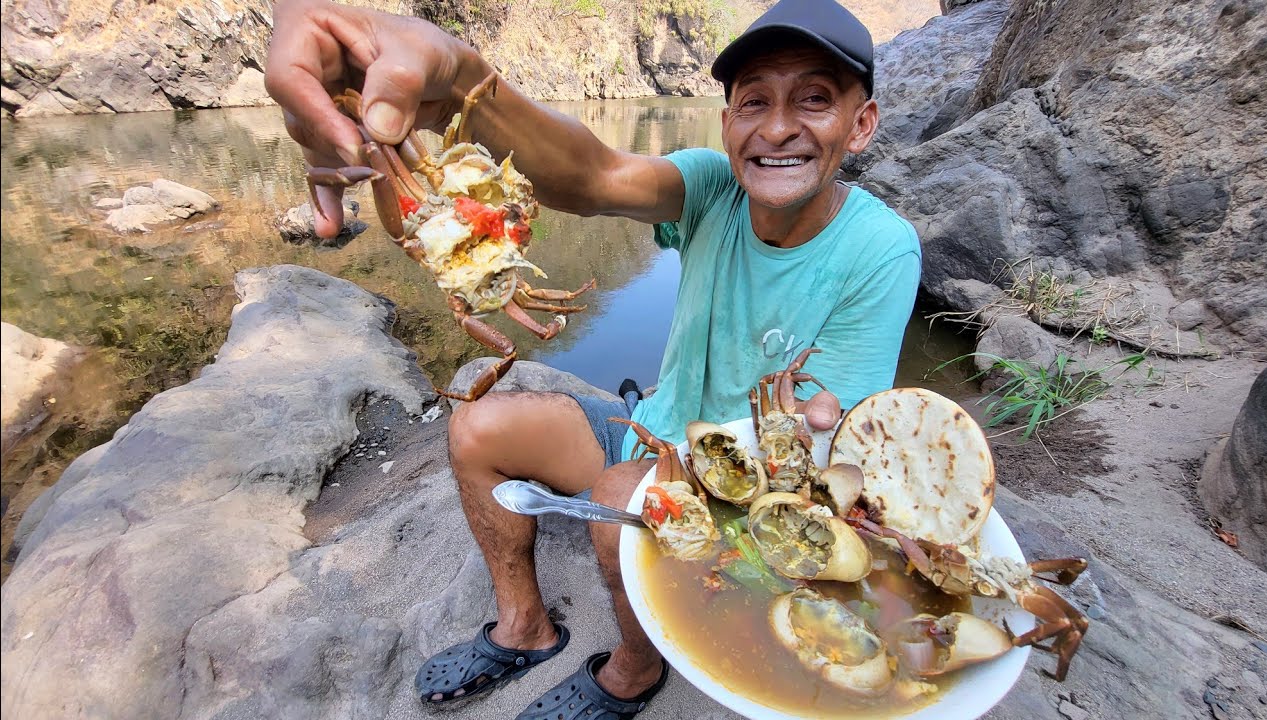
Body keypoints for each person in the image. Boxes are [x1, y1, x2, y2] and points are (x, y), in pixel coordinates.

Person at [265, 0, 921, 716]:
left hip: (742, 492)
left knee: (618, 501)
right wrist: (458, 79)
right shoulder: (710, 189)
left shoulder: (879, 249)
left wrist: (812, 429)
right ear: (727, 122)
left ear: (862, 124)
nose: (777, 128)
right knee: (476, 431)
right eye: (753, 101)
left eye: (815, 100)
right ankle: (526, 627)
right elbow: (591, 175)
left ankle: (636, 671)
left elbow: (819, 444)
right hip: (649, 427)